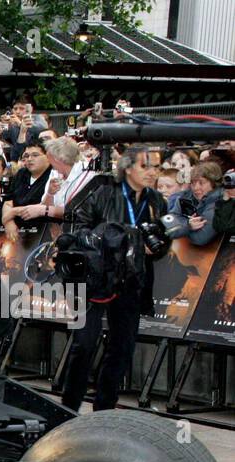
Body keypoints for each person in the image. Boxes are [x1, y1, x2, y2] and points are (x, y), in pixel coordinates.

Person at [60, 146, 170, 412]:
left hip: (131, 280)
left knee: (122, 347)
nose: (151, 173)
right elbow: (75, 227)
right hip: (95, 278)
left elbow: (163, 241)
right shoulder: (103, 190)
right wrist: (116, 240)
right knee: (84, 344)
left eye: (155, 167)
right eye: (145, 166)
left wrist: (154, 246)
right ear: (128, 167)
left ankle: (104, 408)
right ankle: (67, 408)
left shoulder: (157, 200)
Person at [167, 160, 222, 246]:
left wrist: (179, 228)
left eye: (201, 183)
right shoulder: (185, 197)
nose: (195, 188)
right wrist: (188, 226)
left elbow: (200, 238)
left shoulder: (220, 203)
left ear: (213, 183)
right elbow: (168, 227)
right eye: (193, 182)